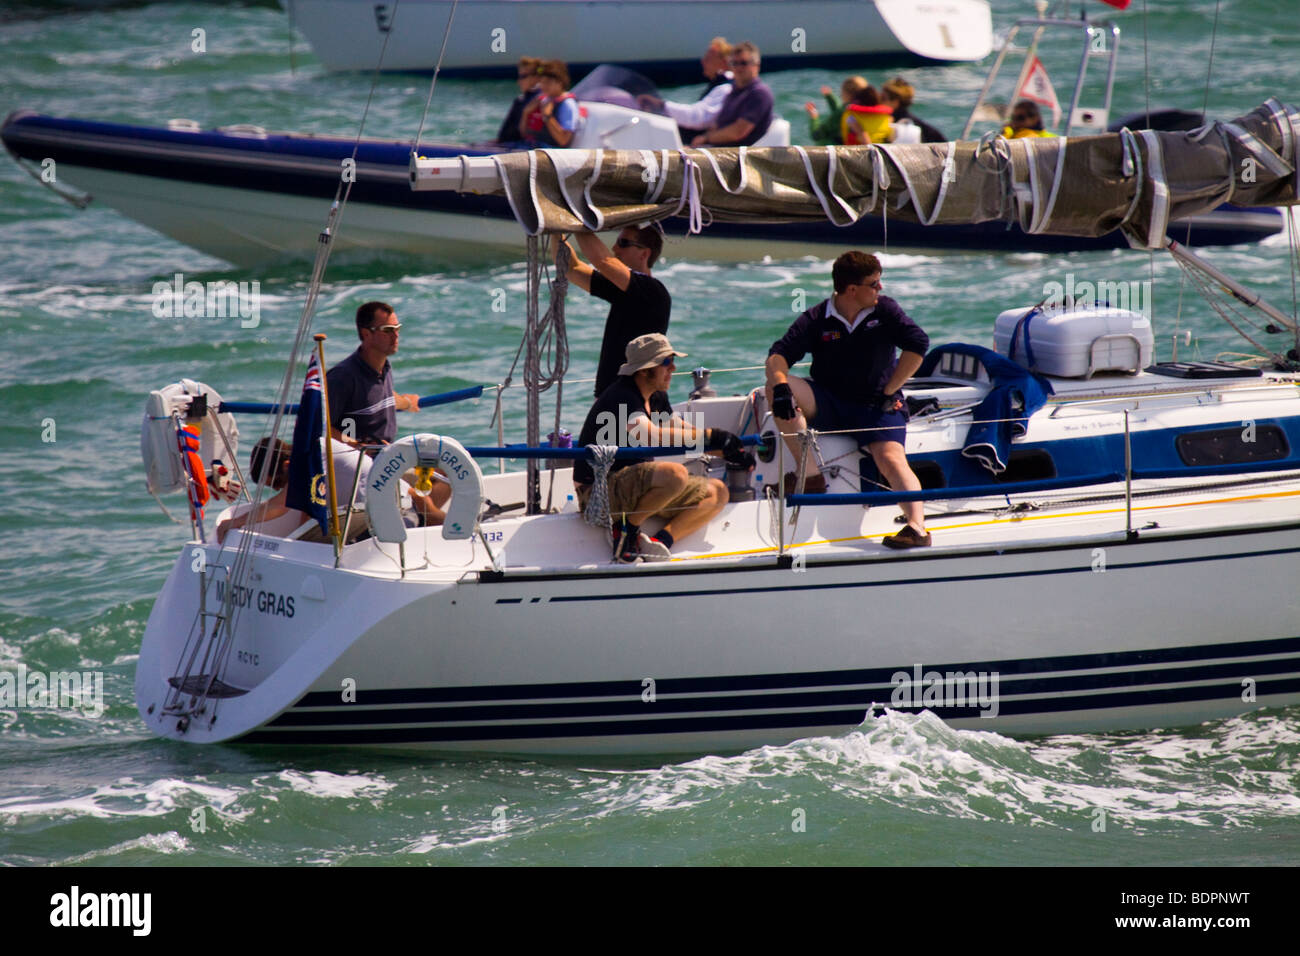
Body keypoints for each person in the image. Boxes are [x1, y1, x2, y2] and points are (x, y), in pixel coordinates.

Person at [765, 251, 932, 549]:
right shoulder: (817, 318)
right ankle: (812, 476)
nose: (880, 289)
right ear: (852, 290)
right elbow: (778, 355)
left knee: (891, 459)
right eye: (874, 283)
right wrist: (778, 385)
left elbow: (918, 343)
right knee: (777, 385)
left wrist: (890, 390)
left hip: (876, 404)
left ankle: (917, 527)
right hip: (830, 399)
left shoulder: (886, 311)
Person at [574, 333, 750, 562]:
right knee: (674, 473)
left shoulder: (656, 396)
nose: (674, 368)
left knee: (717, 491)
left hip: (635, 486)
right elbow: (649, 435)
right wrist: (713, 436)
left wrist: (730, 450)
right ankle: (626, 532)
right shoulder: (622, 395)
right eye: (666, 362)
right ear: (645, 370)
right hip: (597, 491)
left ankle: (660, 542)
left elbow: (682, 431)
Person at [558, 225, 671, 397]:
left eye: (623, 243)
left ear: (644, 254)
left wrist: (574, 221)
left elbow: (603, 261)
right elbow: (571, 269)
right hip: (614, 395)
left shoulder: (652, 291)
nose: (614, 248)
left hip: (635, 397)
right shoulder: (623, 290)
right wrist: (555, 230)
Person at [326, 301, 420, 450]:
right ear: (366, 333)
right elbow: (320, 426)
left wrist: (407, 403)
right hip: (357, 461)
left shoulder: (384, 368)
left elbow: (381, 396)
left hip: (385, 456)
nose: (395, 336)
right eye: (387, 330)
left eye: (397, 328)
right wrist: (358, 446)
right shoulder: (343, 377)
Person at [637, 38, 733, 141]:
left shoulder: (725, 88)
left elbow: (698, 118)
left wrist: (661, 105)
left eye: (708, 59)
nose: (703, 62)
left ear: (723, 63)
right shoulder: (720, 84)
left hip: (697, 144)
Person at [216, 437, 307, 543]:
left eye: (276, 482)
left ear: (287, 465)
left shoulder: (306, 465)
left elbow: (280, 505)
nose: (277, 489)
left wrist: (234, 522)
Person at [690, 42, 773, 147]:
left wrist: (706, 138)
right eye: (734, 63)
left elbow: (738, 131)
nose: (738, 68)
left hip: (737, 157)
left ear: (756, 65)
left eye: (743, 63)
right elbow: (718, 124)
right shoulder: (733, 92)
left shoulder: (760, 94)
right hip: (719, 150)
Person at [519, 59, 582, 148]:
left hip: (551, 152)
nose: (543, 86)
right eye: (542, 82)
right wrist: (526, 113)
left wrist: (548, 116)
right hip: (533, 146)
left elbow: (563, 141)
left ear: (560, 82)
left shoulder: (567, 105)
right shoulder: (543, 100)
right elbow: (524, 134)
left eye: (548, 82)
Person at [804, 76, 867, 146]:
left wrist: (814, 117)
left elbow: (816, 135)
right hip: (865, 148)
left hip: (842, 151)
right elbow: (839, 110)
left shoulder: (845, 113)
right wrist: (830, 97)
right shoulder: (866, 108)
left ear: (846, 93)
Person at [494, 56, 543, 145]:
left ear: (537, 77)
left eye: (523, 76)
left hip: (521, 146)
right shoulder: (521, 100)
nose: (519, 81)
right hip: (508, 144)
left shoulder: (539, 100)